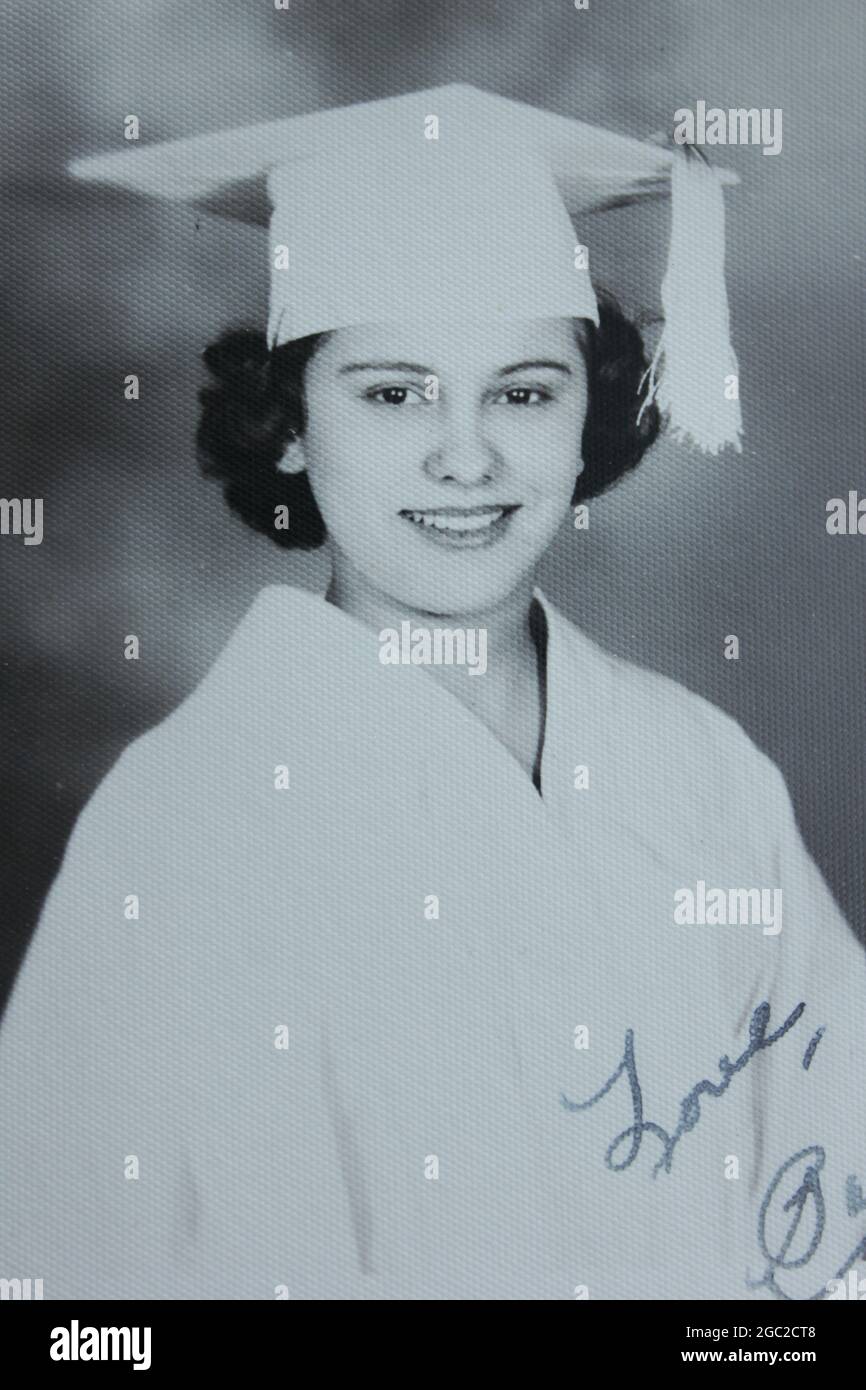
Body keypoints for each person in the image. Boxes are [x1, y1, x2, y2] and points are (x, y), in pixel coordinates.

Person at [0, 85, 863, 1301]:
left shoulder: (702, 773)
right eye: (393, 392)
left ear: (587, 418)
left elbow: (833, 1199)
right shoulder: (180, 828)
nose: (466, 455)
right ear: (291, 421)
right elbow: (76, 1280)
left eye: (521, 390)